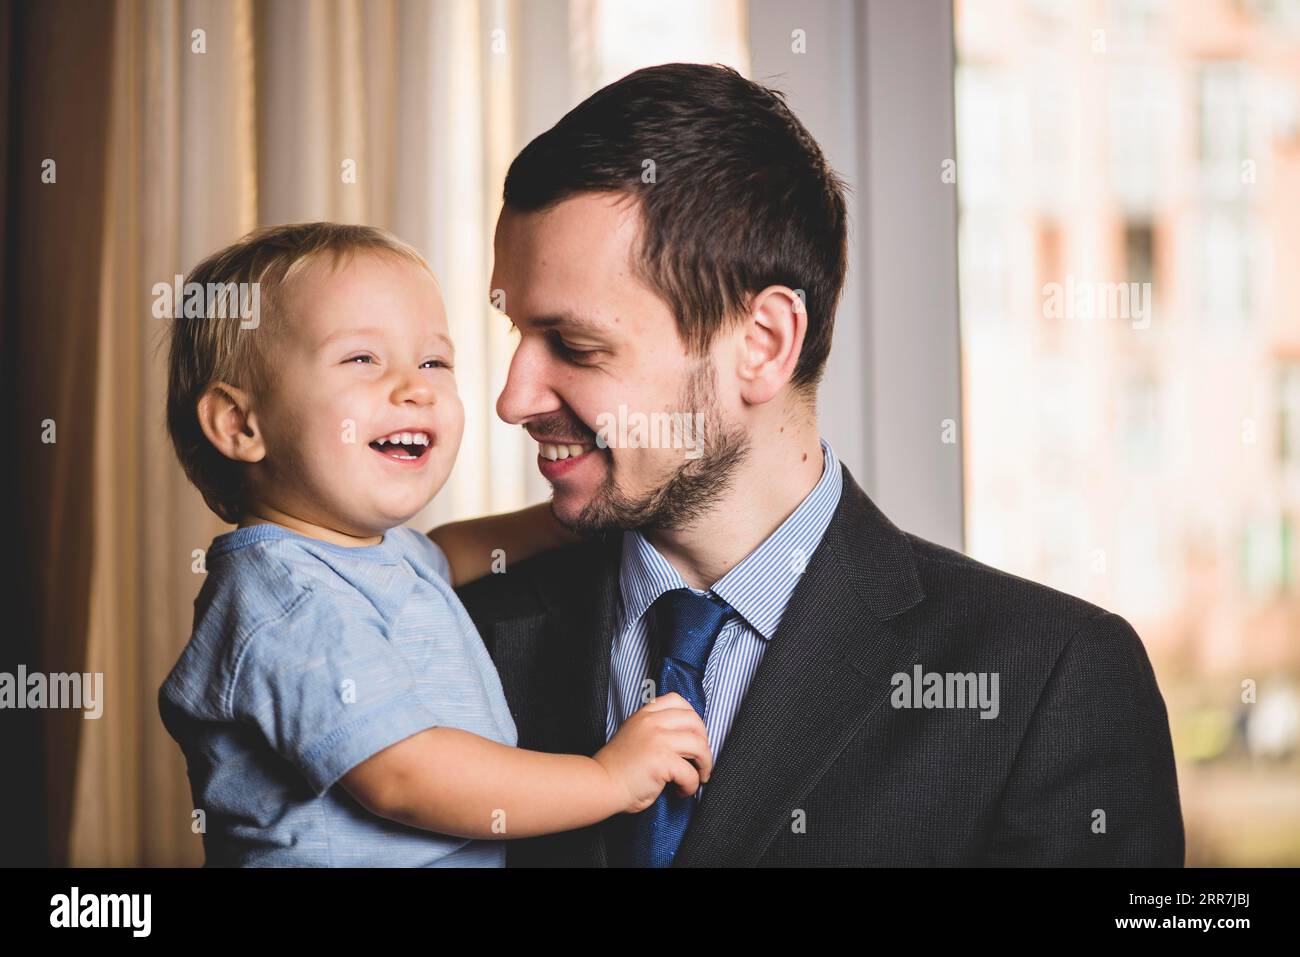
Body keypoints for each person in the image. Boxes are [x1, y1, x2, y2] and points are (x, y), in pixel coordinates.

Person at [449, 63, 1186, 866]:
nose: (514, 397)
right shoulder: (455, 631)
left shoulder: (1051, 681)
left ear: (763, 344)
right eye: (516, 333)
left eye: (575, 345)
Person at [157, 222, 713, 866]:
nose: (415, 387)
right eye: (363, 359)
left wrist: (569, 515)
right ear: (240, 422)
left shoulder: (362, 554)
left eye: (433, 362)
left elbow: (446, 553)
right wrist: (607, 780)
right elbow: (404, 777)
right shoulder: (288, 600)